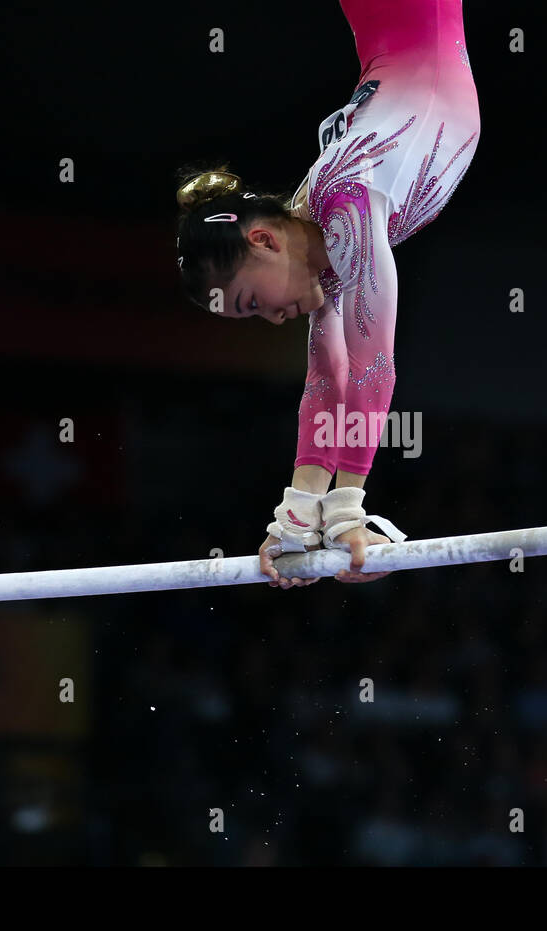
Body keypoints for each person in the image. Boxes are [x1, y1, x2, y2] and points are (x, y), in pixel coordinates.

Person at [174, 0, 480, 588]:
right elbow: (327, 376)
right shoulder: (318, 236)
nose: (268, 318)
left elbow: (372, 364)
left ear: (262, 240)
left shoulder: (346, 206)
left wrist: (345, 511)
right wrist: (297, 515)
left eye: (251, 301)